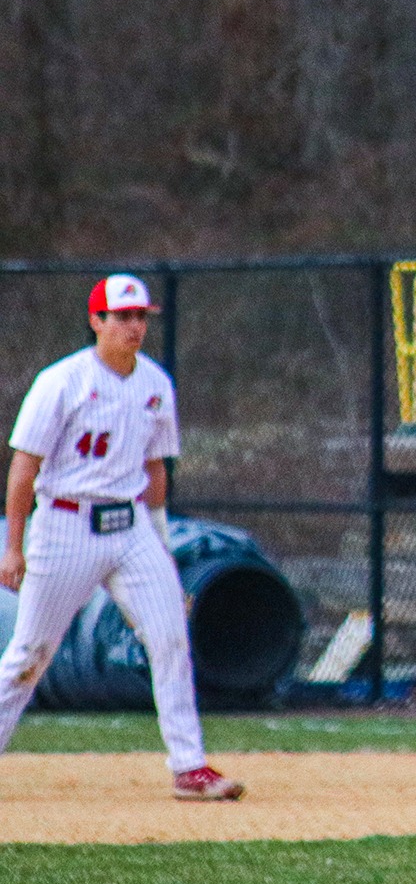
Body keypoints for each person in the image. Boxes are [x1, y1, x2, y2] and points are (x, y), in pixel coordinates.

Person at [0, 276, 243, 801]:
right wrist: (13, 546)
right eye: (124, 316)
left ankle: (189, 766)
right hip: (64, 523)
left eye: (141, 317)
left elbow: (155, 472)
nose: (135, 326)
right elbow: (24, 469)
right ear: (97, 322)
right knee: (29, 656)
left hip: (130, 527)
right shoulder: (61, 381)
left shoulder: (155, 383)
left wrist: (162, 547)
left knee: (171, 636)